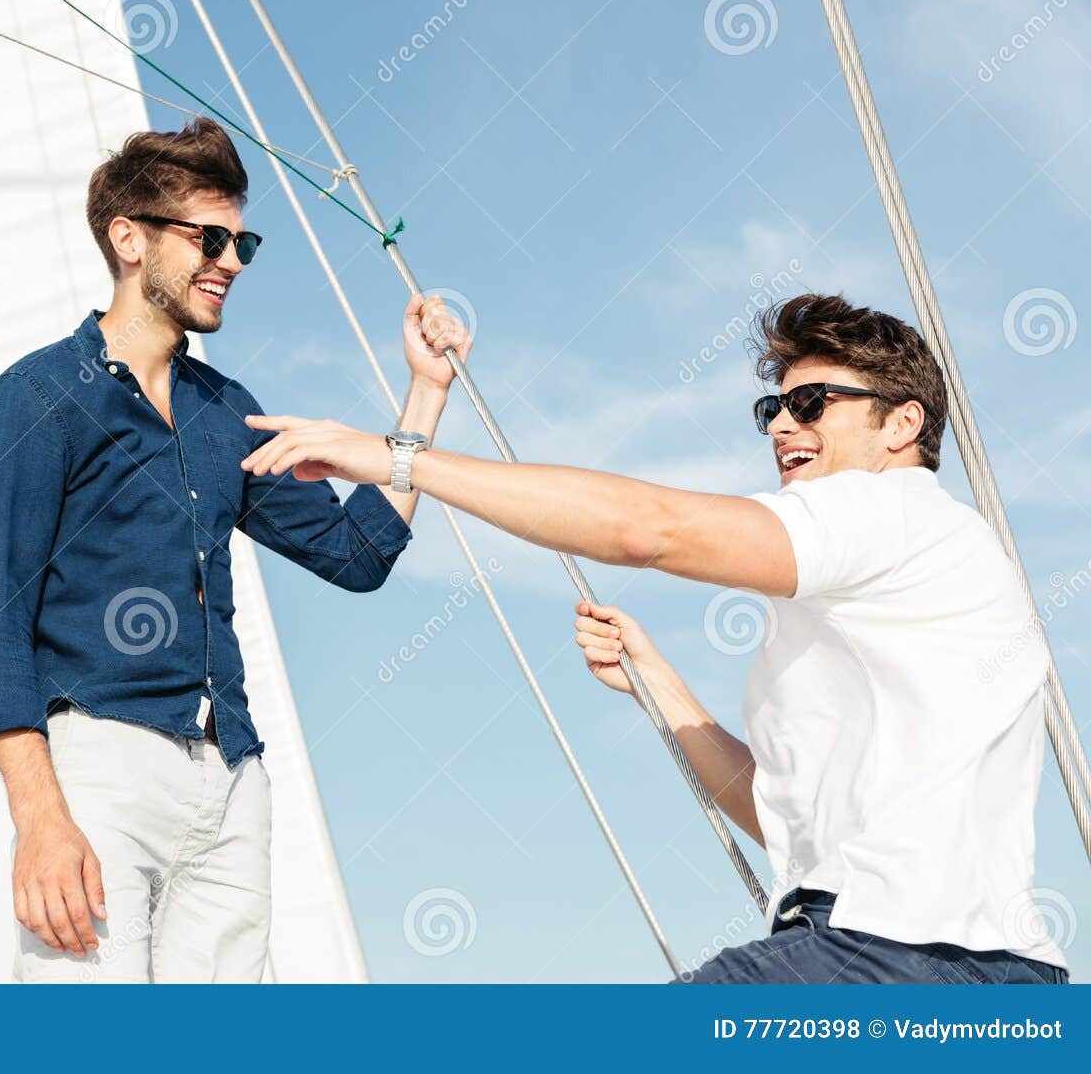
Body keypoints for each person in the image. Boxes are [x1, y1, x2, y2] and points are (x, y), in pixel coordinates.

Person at [241, 292, 1069, 984]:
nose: (783, 423)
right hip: (963, 970)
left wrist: (396, 458)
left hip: (898, 959)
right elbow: (781, 815)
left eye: (812, 402)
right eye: (771, 406)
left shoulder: (892, 512)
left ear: (902, 426)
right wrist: (658, 680)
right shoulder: (896, 574)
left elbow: (647, 529)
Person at [0, 116, 469, 982]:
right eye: (210, 237)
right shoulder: (37, 396)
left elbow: (355, 552)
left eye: (243, 241)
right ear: (129, 238)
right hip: (99, 766)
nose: (232, 260)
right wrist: (40, 816)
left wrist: (424, 394)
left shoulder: (226, 410)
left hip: (230, 775)